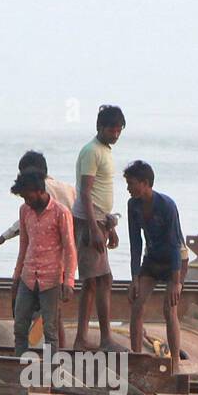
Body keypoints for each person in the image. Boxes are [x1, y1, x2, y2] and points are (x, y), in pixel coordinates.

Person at [72, 105, 125, 352]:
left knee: (94, 281)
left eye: (119, 129)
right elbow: (85, 192)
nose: (115, 134)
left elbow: (100, 192)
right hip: (87, 222)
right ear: (99, 127)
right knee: (101, 279)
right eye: (111, 129)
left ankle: (85, 337)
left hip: (98, 221)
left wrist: (108, 227)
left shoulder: (104, 151)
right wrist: (94, 228)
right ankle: (103, 339)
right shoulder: (92, 151)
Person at [124, 160, 185, 373]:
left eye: (131, 184)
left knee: (169, 310)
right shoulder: (133, 205)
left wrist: (176, 282)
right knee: (137, 304)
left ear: (145, 183)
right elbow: (135, 242)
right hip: (151, 259)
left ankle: (175, 362)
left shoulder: (166, 205)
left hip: (172, 261)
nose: (128, 188)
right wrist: (134, 278)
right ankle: (136, 357)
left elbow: (175, 243)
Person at [8, 170, 76, 357]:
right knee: (20, 325)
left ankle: (50, 372)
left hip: (52, 279)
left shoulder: (61, 213)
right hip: (28, 276)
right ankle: (19, 365)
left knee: (50, 330)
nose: (25, 201)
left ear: (38, 191)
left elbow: (70, 249)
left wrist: (69, 281)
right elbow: (24, 245)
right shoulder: (25, 211)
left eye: (27, 196)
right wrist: (16, 276)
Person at [0, 151, 77, 256]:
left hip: (50, 247)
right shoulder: (68, 188)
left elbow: (26, 220)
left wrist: (2, 238)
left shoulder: (38, 191)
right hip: (72, 244)